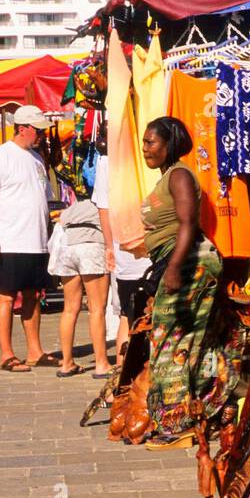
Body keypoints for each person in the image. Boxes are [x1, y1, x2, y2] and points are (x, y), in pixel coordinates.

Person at [134, 115, 241, 445]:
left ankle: (177, 424)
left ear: (170, 144)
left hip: (189, 264)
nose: (145, 148)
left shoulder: (179, 175)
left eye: (151, 142)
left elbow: (188, 223)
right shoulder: (167, 176)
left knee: (172, 344)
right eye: (144, 142)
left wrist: (175, 268)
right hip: (180, 261)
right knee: (197, 342)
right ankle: (209, 410)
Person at [0, 104, 59, 372]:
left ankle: (35, 350)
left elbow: (44, 198)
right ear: (23, 128)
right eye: (38, 130)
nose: (42, 135)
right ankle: (6, 354)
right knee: (7, 295)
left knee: (33, 295)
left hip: (36, 240)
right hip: (10, 239)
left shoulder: (36, 159)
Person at [91, 151, 152, 364]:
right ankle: (124, 377)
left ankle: (121, 380)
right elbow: (103, 209)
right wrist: (110, 247)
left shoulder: (108, 160)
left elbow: (103, 209)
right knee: (134, 315)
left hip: (126, 250)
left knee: (127, 315)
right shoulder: (157, 149)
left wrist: (110, 247)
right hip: (144, 251)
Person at [47, 189, 113, 378]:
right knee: (97, 308)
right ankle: (101, 363)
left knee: (69, 308)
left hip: (67, 249)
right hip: (91, 247)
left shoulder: (74, 208)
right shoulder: (101, 205)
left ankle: (66, 363)